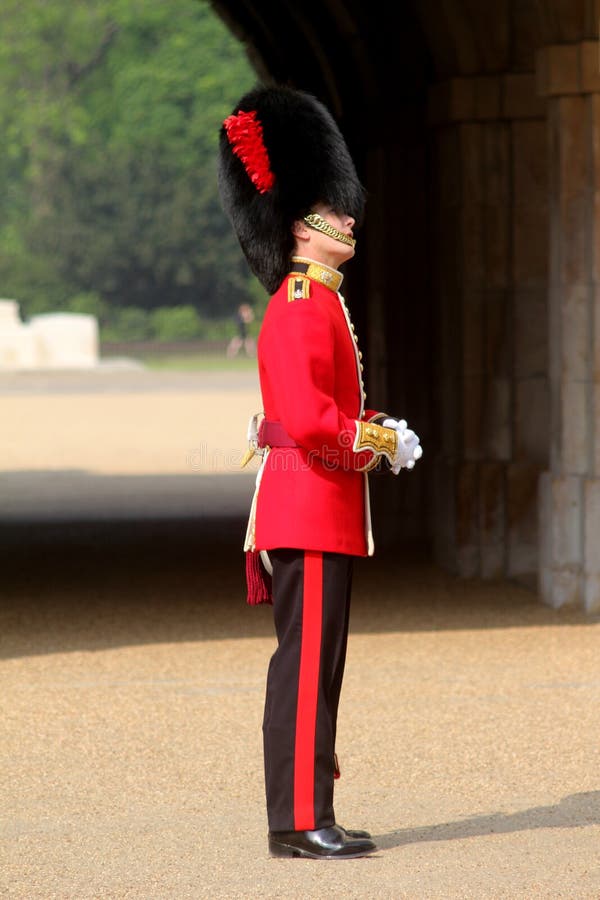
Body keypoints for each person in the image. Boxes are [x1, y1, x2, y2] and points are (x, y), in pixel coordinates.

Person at [218, 85, 422, 860]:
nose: (347, 219)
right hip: (307, 502)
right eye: (333, 210)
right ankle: (299, 821)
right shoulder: (303, 304)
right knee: (304, 670)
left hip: (318, 504)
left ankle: (310, 810)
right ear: (300, 225)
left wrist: (371, 437)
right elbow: (310, 423)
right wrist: (376, 442)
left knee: (318, 667)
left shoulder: (319, 302)